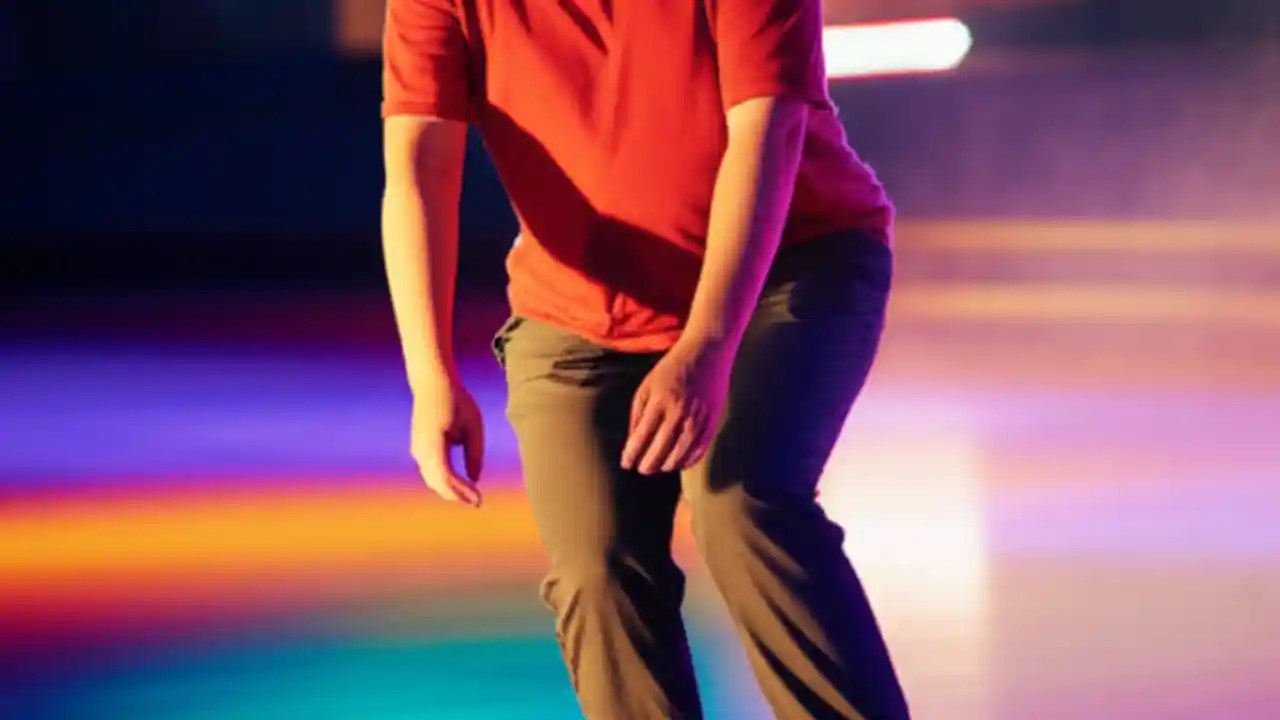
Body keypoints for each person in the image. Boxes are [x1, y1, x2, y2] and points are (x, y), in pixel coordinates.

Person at [380, 0, 909, 717]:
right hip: (577, 307)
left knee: (738, 500)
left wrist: (707, 344)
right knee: (596, 569)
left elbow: (766, 132)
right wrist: (430, 374)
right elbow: (420, 163)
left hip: (792, 266)